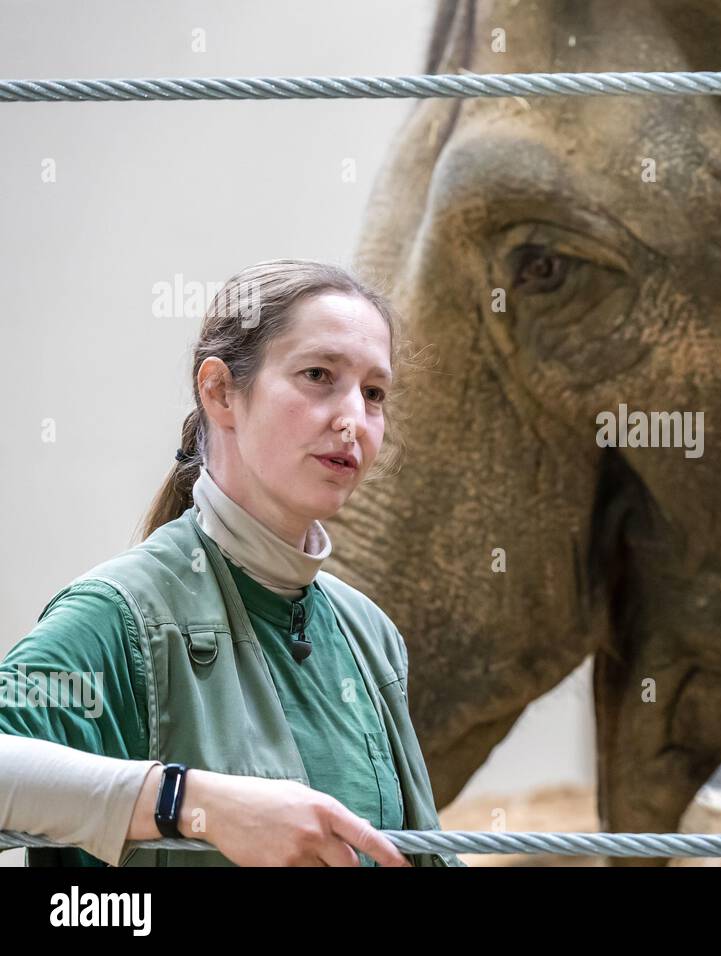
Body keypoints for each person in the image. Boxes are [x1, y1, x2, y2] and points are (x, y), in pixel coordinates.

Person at [0, 259, 464, 867]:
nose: (354, 419)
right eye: (318, 375)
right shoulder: (117, 616)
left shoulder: (369, 634)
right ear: (220, 392)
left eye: (373, 393)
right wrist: (192, 804)